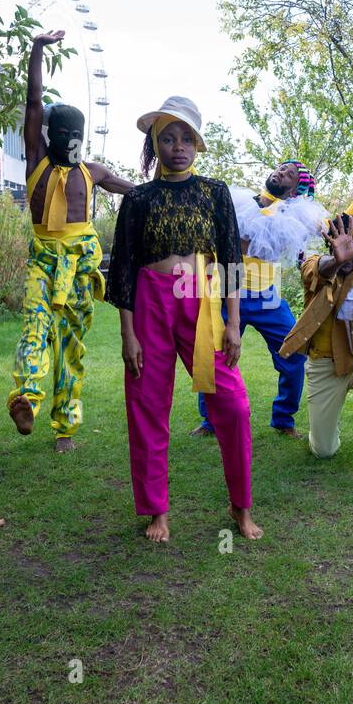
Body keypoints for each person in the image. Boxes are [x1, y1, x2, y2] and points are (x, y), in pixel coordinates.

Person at [107, 96, 262, 542]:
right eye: (168, 138)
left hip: (201, 299)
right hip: (150, 301)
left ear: (197, 144)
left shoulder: (215, 192)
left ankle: (241, 506)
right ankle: (157, 511)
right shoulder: (137, 198)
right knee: (147, 406)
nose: (178, 146)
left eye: (186, 138)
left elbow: (232, 258)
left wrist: (233, 323)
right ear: (155, 145)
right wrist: (128, 333)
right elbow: (122, 267)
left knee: (232, 404)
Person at [6, 31, 135, 452]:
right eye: (63, 132)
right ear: (49, 134)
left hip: (80, 264)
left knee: (71, 347)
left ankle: (66, 428)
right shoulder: (35, 161)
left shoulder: (93, 171)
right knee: (34, 329)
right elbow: (33, 101)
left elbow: (136, 191)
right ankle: (26, 396)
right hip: (43, 261)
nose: (72, 139)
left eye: (77, 132)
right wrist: (38, 50)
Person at [189, 161, 353, 440]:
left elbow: (335, 226)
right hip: (228, 295)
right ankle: (210, 420)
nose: (282, 172)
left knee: (294, 353)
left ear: (296, 188)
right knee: (215, 357)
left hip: (267, 300)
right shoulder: (238, 203)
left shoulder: (292, 217)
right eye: (281, 168)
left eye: (290, 174)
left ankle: (283, 418)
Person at [279, 214, 353, 498]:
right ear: (330, 244)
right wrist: (334, 260)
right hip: (323, 365)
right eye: (342, 245)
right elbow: (318, 270)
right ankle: (327, 427)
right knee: (323, 451)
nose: (349, 254)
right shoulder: (315, 263)